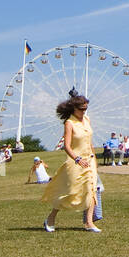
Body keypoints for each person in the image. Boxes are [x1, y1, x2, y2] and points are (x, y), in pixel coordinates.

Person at [41, 94, 101, 233]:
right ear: (74, 108)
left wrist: (94, 160)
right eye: (81, 109)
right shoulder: (69, 123)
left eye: (86, 109)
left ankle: (89, 222)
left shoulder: (87, 120)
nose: (83, 112)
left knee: (91, 190)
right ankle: (50, 218)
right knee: (69, 192)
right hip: (76, 163)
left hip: (90, 161)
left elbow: (90, 142)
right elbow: (67, 146)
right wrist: (77, 159)